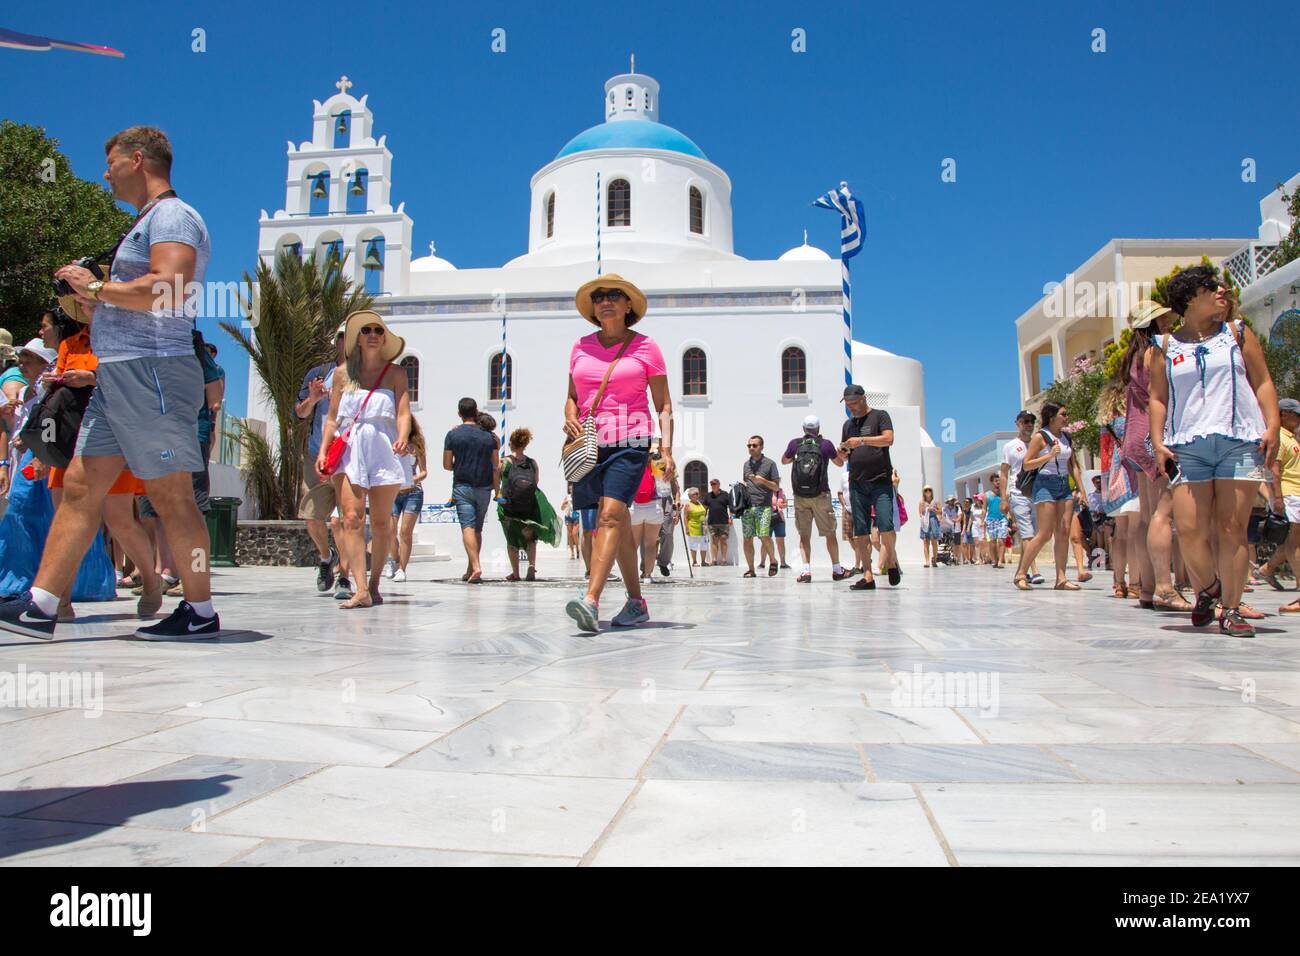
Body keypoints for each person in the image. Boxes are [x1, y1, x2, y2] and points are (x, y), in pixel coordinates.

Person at [2, 126, 220, 641]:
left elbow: (172, 285)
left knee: (172, 496)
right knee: (80, 487)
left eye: (111, 163)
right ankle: (41, 604)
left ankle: (202, 611)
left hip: (154, 371)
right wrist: (94, 300)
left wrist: (97, 286)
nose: (104, 173)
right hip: (121, 373)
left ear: (138, 160)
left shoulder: (172, 215)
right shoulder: (146, 222)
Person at [1148, 267, 1281, 636]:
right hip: (1187, 446)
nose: (1223, 291)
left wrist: (1272, 426)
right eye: (1212, 287)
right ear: (1191, 298)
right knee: (1189, 530)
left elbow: (1263, 380)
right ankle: (1209, 589)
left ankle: (1232, 608)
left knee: (1233, 527)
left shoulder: (1238, 333)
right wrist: (1158, 443)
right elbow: (1157, 399)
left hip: (1241, 440)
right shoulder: (1161, 347)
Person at [563, 274, 672, 632]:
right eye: (599, 297)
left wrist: (666, 450)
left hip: (631, 439)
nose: (605, 301)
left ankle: (591, 600)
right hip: (590, 444)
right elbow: (573, 397)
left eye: (614, 296)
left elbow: (664, 405)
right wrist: (569, 417)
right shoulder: (580, 346)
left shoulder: (646, 347)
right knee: (616, 525)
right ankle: (636, 603)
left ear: (629, 306)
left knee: (610, 516)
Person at [317, 310, 410, 610]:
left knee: (382, 524)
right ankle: (360, 588)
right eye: (366, 330)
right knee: (352, 519)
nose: (372, 334)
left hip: (383, 447)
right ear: (357, 337)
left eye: (378, 330)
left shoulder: (396, 373)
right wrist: (323, 449)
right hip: (350, 449)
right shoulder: (343, 375)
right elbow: (332, 418)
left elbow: (403, 412)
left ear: (384, 338)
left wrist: (404, 435)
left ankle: (374, 583)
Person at [1121, 299, 1183, 610]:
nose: (1168, 324)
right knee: (1163, 513)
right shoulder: (1153, 353)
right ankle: (1164, 586)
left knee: (1146, 518)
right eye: (1162, 320)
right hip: (1151, 437)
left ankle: (1146, 588)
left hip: (1134, 438)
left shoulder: (1132, 354)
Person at [1013, 401, 1088, 591]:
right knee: (1045, 533)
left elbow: (1073, 466)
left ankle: (1061, 578)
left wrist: (1082, 490)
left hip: (1064, 485)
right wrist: (1048, 456)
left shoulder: (1066, 437)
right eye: (1063, 414)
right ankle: (1021, 573)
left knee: (1063, 531)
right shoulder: (1041, 437)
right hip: (1045, 484)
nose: (1066, 417)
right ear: (1052, 417)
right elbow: (1027, 464)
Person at [296, 324, 348, 596]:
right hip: (319, 455)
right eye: (342, 336)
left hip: (351, 459)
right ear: (335, 341)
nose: (347, 341)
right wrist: (314, 399)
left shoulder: (366, 377)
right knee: (312, 516)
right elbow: (301, 413)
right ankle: (327, 557)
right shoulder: (318, 374)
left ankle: (345, 577)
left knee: (344, 520)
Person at [841, 383, 901, 589]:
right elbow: (844, 457)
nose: (850, 407)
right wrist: (842, 452)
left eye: (853, 403)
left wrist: (862, 441)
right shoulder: (848, 425)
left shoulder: (880, 416)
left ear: (863, 399)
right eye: (847, 404)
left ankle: (891, 561)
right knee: (860, 531)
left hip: (880, 480)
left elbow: (888, 439)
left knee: (886, 525)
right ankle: (867, 576)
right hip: (857, 482)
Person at [782, 414, 848, 582]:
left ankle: (806, 571)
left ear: (803, 429)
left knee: (804, 535)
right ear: (818, 429)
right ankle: (836, 569)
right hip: (821, 494)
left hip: (800, 496)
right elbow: (839, 463)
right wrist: (841, 455)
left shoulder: (795, 444)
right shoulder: (825, 444)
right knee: (830, 533)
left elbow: (784, 460)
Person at [443, 396, 499, 584]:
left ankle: (475, 567)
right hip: (484, 487)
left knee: (467, 526)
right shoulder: (489, 437)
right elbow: (495, 464)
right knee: (478, 528)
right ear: (476, 411)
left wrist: (459, 464)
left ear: (459, 414)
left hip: (463, 485)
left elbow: (446, 465)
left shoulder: (453, 435)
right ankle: (470, 568)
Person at [497, 427, 561, 582]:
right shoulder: (532, 463)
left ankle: (516, 573)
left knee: (511, 538)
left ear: (511, 443)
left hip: (509, 505)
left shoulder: (504, 462)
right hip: (529, 504)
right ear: (525, 444)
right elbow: (536, 483)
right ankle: (531, 568)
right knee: (531, 538)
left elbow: (497, 481)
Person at [1098, 381, 1141, 599]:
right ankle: (1135, 583)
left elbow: (1104, 456)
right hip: (1134, 473)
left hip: (1116, 477)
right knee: (1134, 533)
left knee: (1121, 535)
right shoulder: (1135, 414)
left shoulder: (1107, 421)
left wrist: (1106, 487)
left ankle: (1118, 583)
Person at [1258, 398, 1299, 606]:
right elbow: (1274, 469)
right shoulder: (1280, 438)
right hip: (1290, 495)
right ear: (1283, 415)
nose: (1298, 418)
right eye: (1295, 414)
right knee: (1294, 542)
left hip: (1295, 494)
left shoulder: (1291, 437)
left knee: (1294, 540)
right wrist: (1279, 498)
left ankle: (1268, 568)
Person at [1000, 410, 1046, 585]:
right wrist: (1004, 498)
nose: (1029, 424)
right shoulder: (1010, 446)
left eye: (1031, 421)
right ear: (1018, 423)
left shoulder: (1041, 444)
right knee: (1027, 534)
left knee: (1035, 535)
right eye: (1025, 421)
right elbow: (1004, 472)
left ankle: (1021, 571)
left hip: (1037, 493)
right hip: (1018, 493)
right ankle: (1034, 571)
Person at [387, 417, 428, 583]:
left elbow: (424, 471)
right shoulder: (391, 442)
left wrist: (414, 479)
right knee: (390, 530)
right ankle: (394, 560)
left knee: (405, 531)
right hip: (393, 493)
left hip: (413, 493)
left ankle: (402, 569)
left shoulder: (417, 447)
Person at [740, 435, 780, 577]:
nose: (751, 448)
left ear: (762, 447)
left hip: (764, 506)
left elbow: (776, 487)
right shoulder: (746, 464)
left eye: (754, 445)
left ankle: (773, 561)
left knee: (763, 534)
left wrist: (762, 481)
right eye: (749, 445)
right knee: (747, 538)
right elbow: (745, 482)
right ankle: (751, 569)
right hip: (747, 507)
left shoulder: (770, 464)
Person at [627, 455, 664, 585]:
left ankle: (631, 576)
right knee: (651, 544)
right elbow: (665, 487)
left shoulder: (632, 462)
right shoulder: (658, 464)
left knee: (633, 545)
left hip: (635, 507)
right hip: (654, 507)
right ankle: (648, 576)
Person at [649, 442, 680, 578]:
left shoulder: (670, 463)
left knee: (667, 534)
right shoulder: (646, 462)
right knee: (649, 536)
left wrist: (677, 500)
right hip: (650, 499)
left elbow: (675, 485)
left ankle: (663, 562)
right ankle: (646, 568)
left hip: (666, 499)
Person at [836, 469, 860, 574]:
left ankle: (858, 565)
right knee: (849, 536)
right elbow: (840, 492)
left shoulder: (861, 473)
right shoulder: (844, 476)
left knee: (858, 537)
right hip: (847, 510)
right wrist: (844, 505)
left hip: (859, 509)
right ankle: (864, 556)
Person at [703, 477, 731, 566]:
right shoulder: (708, 495)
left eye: (714, 484)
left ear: (719, 485)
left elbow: (730, 507)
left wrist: (731, 517)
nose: (712, 486)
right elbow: (705, 509)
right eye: (711, 484)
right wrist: (704, 522)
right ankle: (714, 560)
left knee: (723, 540)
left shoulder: (725, 494)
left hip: (724, 522)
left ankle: (724, 560)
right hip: (712, 522)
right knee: (714, 541)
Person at [763, 484, 791, 569]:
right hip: (767, 519)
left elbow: (786, 503)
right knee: (765, 541)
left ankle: (783, 563)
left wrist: (783, 505)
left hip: (779, 519)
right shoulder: (765, 491)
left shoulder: (780, 491)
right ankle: (762, 563)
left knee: (780, 541)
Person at [984, 474, 1008, 568]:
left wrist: (1013, 520)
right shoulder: (987, 495)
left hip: (1002, 519)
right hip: (991, 520)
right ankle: (995, 560)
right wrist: (982, 521)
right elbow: (984, 509)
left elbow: (1008, 507)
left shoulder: (1004, 494)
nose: (998, 482)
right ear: (992, 482)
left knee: (1002, 541)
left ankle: (1000, 561)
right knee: (993, 542)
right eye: (996, 481)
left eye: (999, 480)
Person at [684, 487, 709, 565]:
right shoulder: (688, 504)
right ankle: (694, 562)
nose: (697, 495)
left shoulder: (700, 503)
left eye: (698, 494)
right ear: (690, 496)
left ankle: (703, 561)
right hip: (693, 528)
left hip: (703, 528)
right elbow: (685, 517)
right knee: (693, 545)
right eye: (695, 494)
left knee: (704, 545)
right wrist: (687, 528)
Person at [918, 486, 940, 567]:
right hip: (925, 522)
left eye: (929, 490)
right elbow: (920, 513)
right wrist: (925, 511)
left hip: (933, 521)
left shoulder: (936, 501)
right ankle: (927, 561)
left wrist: (933, 509)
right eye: (926, 490)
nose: (928, 491)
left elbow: (940, 511)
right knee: (925, 542)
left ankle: (934, 559)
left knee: (934, 542)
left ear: (931, 491)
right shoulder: (922, 502)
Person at [561, 492, 581, 560]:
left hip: (576, 515)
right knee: (570, 535)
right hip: (568, 517)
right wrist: (564, 503)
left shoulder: (578, 496)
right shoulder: (567, 497)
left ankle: (578, 549)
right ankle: (572, 553)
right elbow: (562, 508)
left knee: (574, 534)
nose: (572, 490)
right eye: (571, 488)